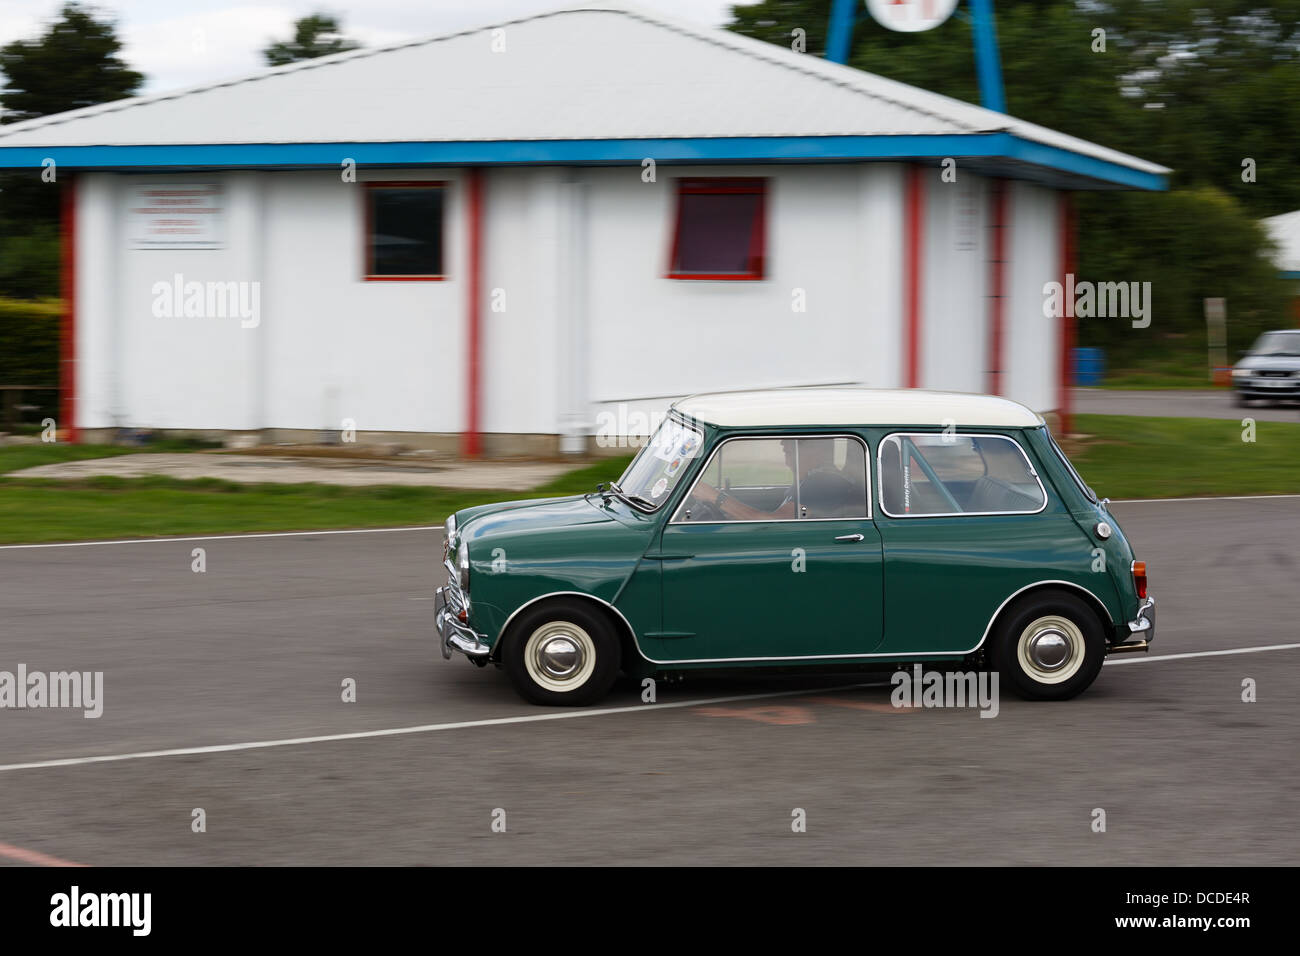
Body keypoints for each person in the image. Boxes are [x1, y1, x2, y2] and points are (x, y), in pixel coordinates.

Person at [689, 438, 858, 521]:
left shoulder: (823, 483)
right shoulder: (811, 480)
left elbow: (771, 522)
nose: (783, 443)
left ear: (819, 447)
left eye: (797, 440)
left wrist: (715, 497)